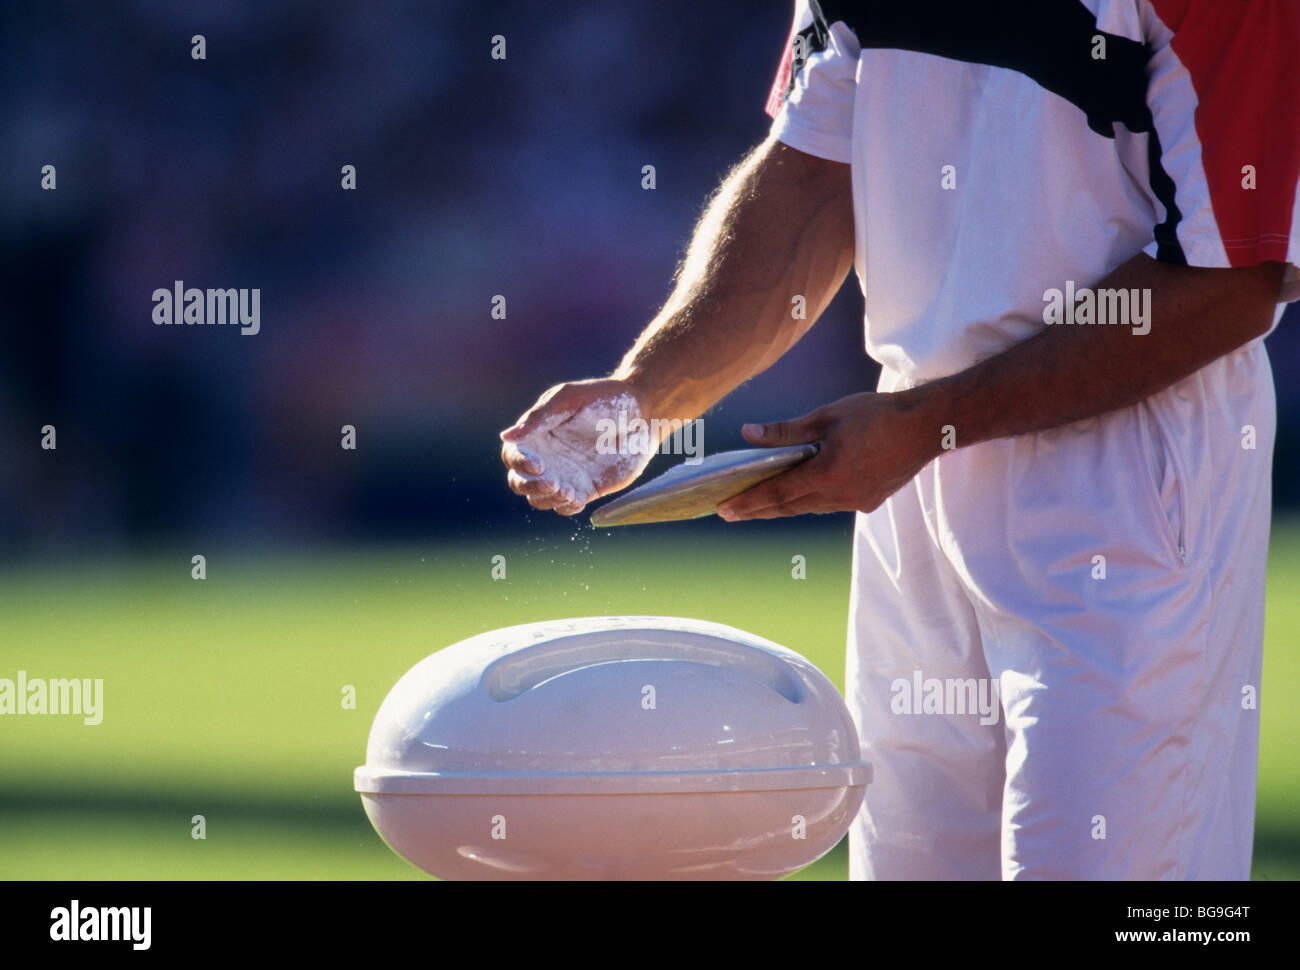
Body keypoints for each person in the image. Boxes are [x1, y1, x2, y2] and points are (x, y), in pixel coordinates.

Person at [500, 0, 1299, 879]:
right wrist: (648, 392)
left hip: (1131, 476)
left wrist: (930, 423)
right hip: (914, 462)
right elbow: (811, 175)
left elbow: (1232, 280)